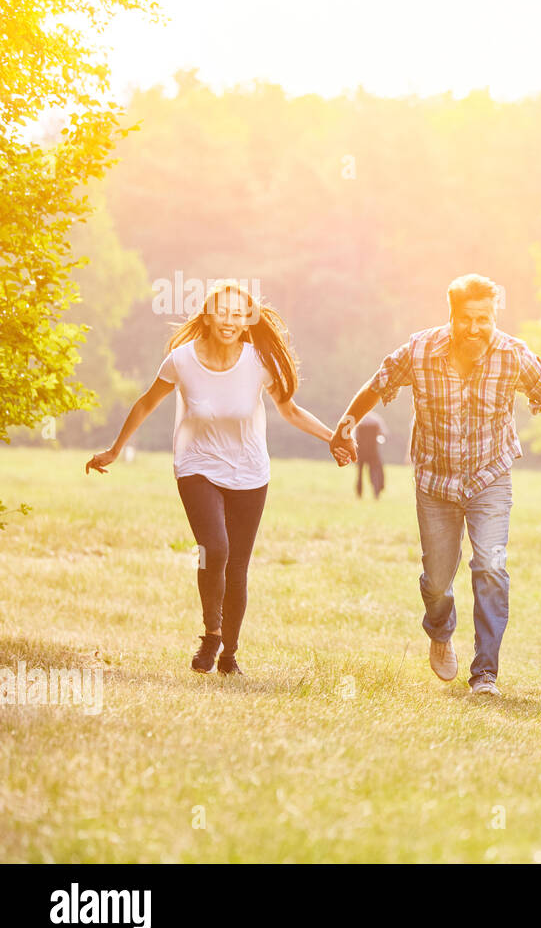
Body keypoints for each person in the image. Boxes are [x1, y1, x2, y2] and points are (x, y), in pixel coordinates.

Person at [330, 274, 541, 697]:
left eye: (483, 319)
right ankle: (440, 629)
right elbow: (378, 384)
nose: (474, 328)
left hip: (490, 477)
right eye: (466, 319)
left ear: (494, 316)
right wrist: (346, 425)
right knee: (436, 578)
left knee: (491, 565)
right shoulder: (419, 351)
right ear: (451, 315)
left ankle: (485, 673)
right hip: (436, 480)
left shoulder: (513, 355)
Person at [85, 280, 347, 675]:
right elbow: (145, 403)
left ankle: (229, 655)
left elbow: (289, 411)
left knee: (238, 566)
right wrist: (115, 449)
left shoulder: (259, 361)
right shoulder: (181, 359)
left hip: (249, 471)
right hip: (197, 466)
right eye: (223, 311)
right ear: (208, 315)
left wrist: (333, 437)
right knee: (216, 549)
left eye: (240, 314)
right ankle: (211, 635)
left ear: (248, 321)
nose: (231, 320)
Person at [354, 412, 387, 499]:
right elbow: (383, 434)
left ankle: (359, 494)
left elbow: (354, 436)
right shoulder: (376, 420)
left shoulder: (357, 420)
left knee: (359, 473)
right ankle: (376, 493)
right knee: (375, 472)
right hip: (373, 451)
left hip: (360, 451)